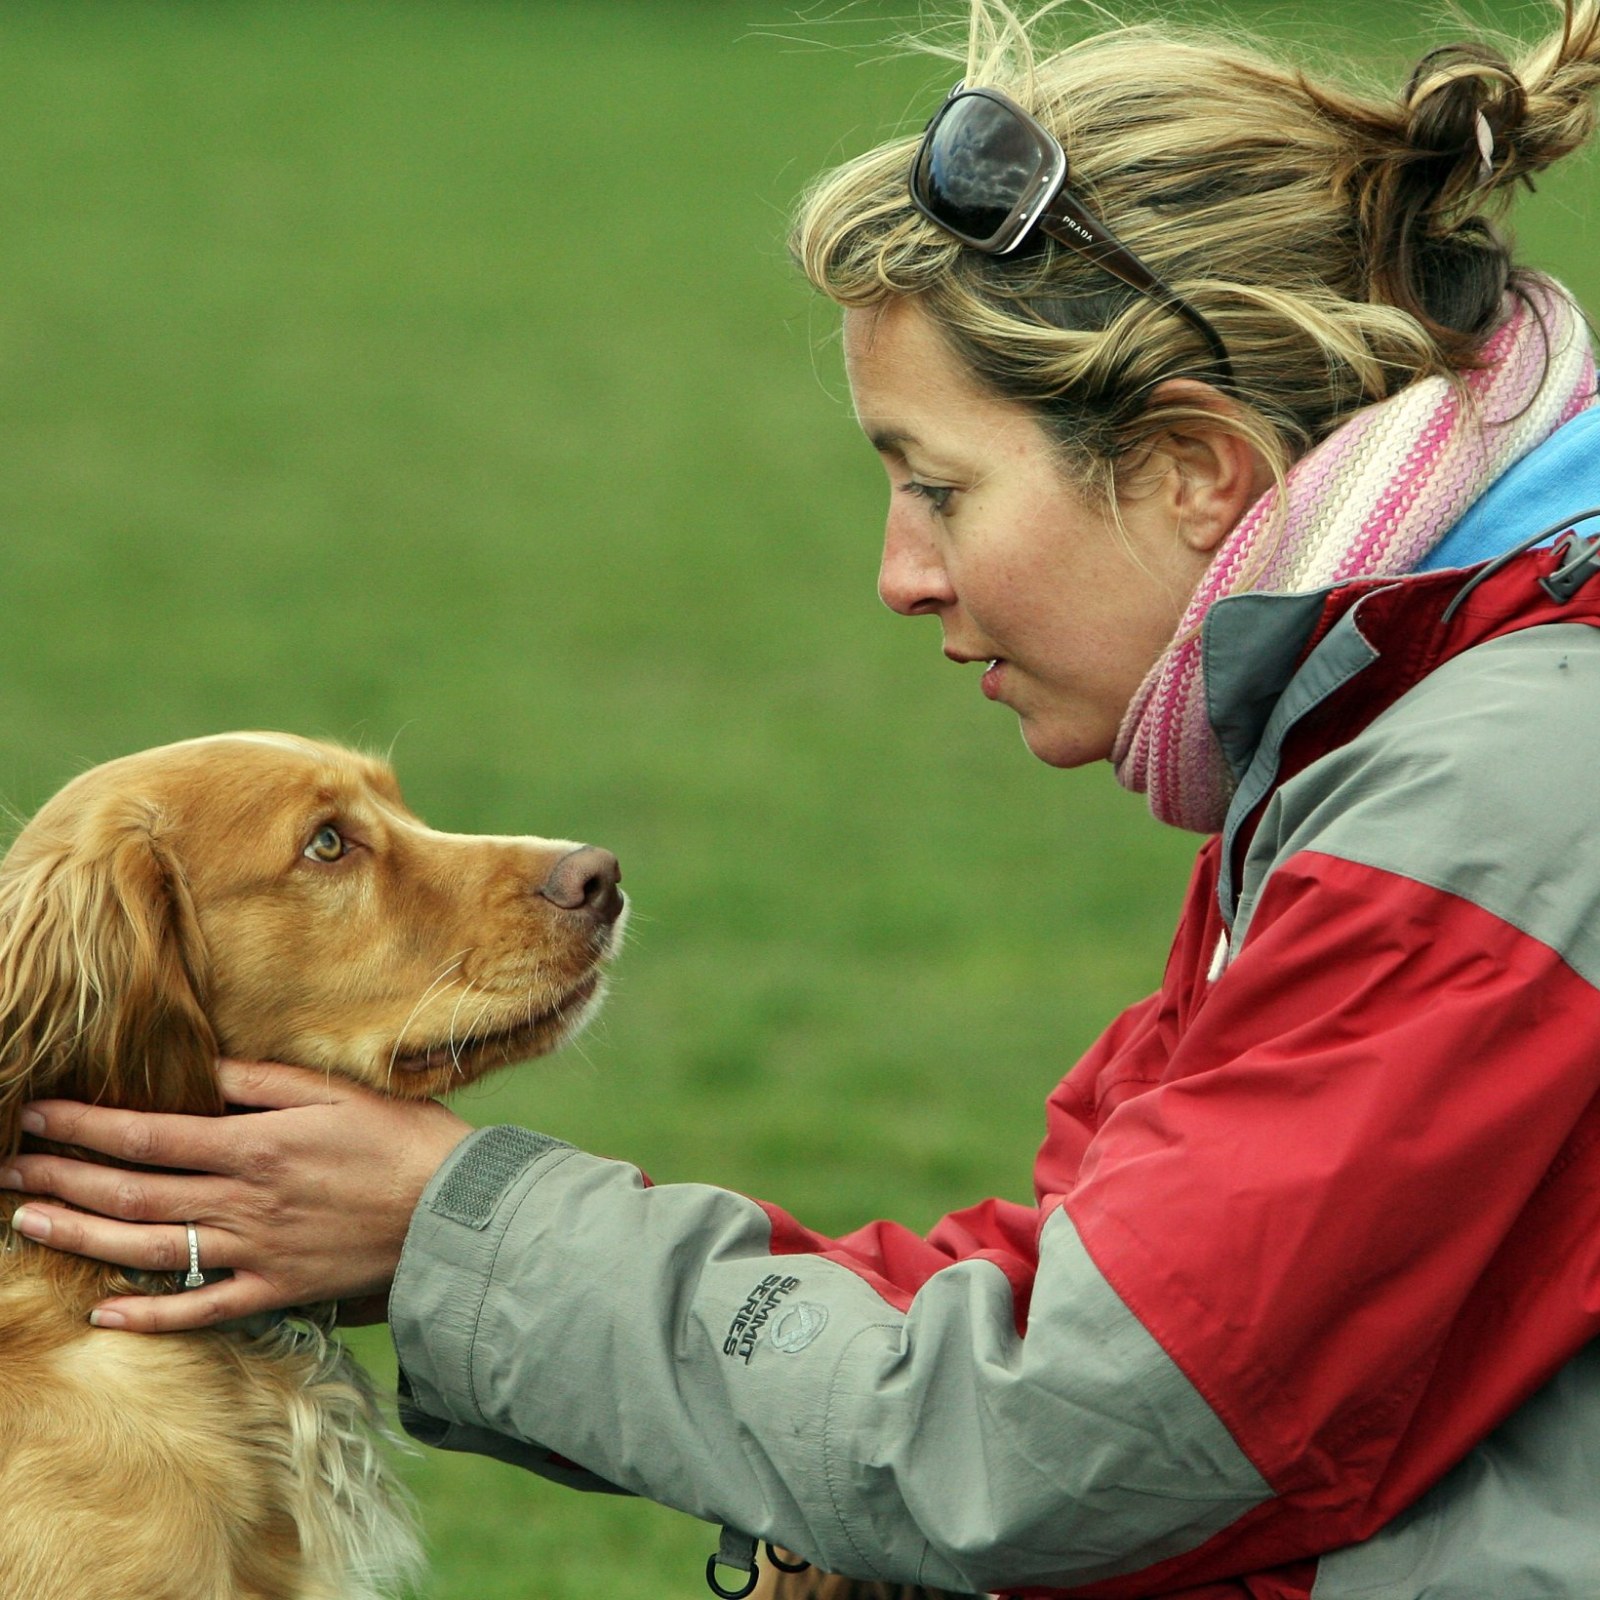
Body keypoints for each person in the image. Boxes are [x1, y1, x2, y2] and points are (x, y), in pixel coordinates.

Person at [8, 3, 1600, 1596]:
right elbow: (1098, 1311)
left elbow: (1062, 1438)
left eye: (938, 487)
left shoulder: (1497, 802)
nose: (900, 575)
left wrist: (452, 1231)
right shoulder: (1415, 734)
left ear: (1195, 466)